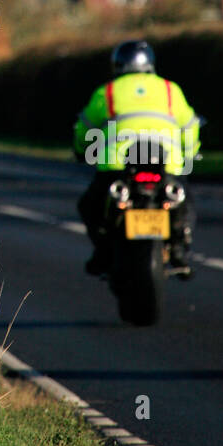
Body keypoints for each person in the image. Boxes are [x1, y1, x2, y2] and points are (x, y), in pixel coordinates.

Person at [73, 40, 200, 279]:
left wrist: (81, 149)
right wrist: (190, 153)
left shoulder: (108, 91)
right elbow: (190, 124)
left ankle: (102, 251)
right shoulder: (169, 89)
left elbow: (85, 127)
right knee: (186, 200)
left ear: (118, 65)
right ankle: (180, 247)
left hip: (117, 165)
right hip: (168, 164)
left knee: (90, 205)